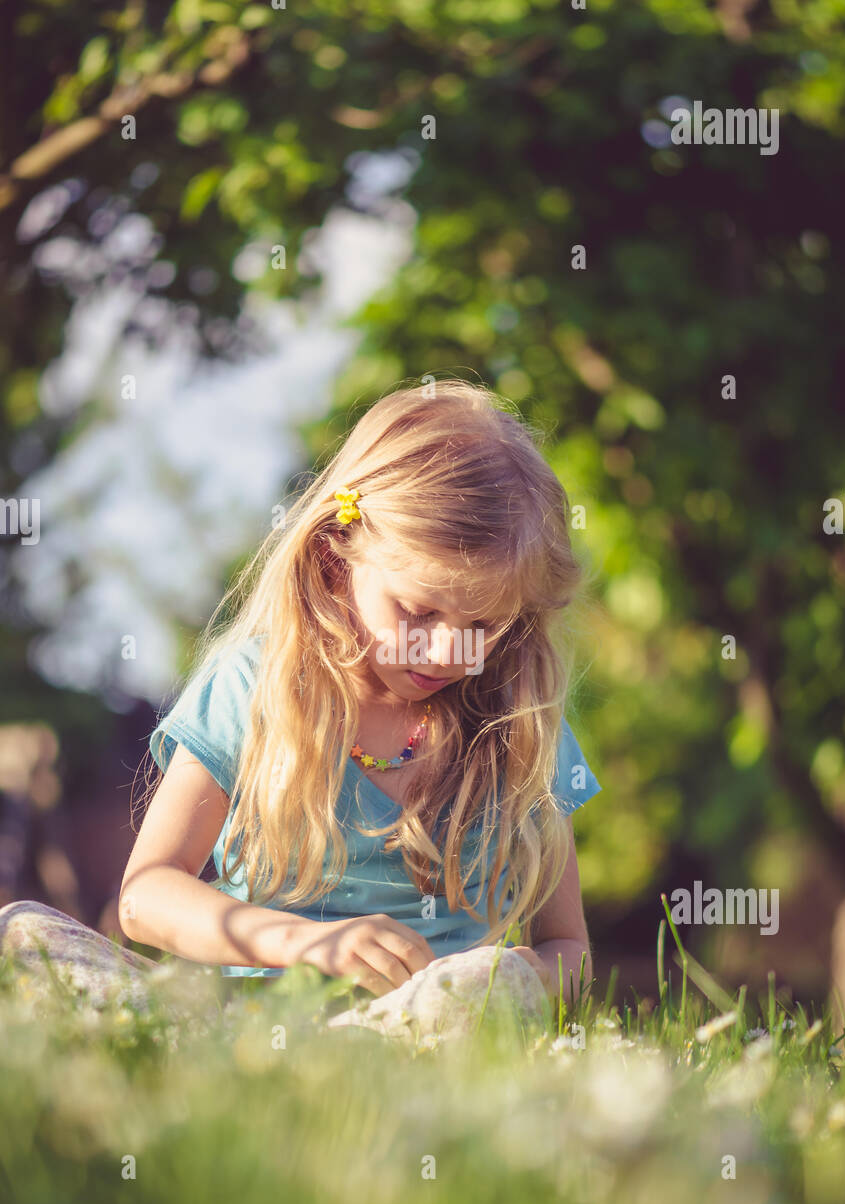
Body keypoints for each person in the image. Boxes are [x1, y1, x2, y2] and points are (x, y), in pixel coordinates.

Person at [119, 380, 601, 1003]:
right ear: (334, 554)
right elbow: (144, 897)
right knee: (31, 935)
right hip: (267, 1034)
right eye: (417, 611)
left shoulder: (520, 726)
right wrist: (306, 946)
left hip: (443, 1045)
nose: (445, 653)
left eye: (482, 625)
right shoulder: (255, 690)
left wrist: (510, 984)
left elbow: (571, 949)